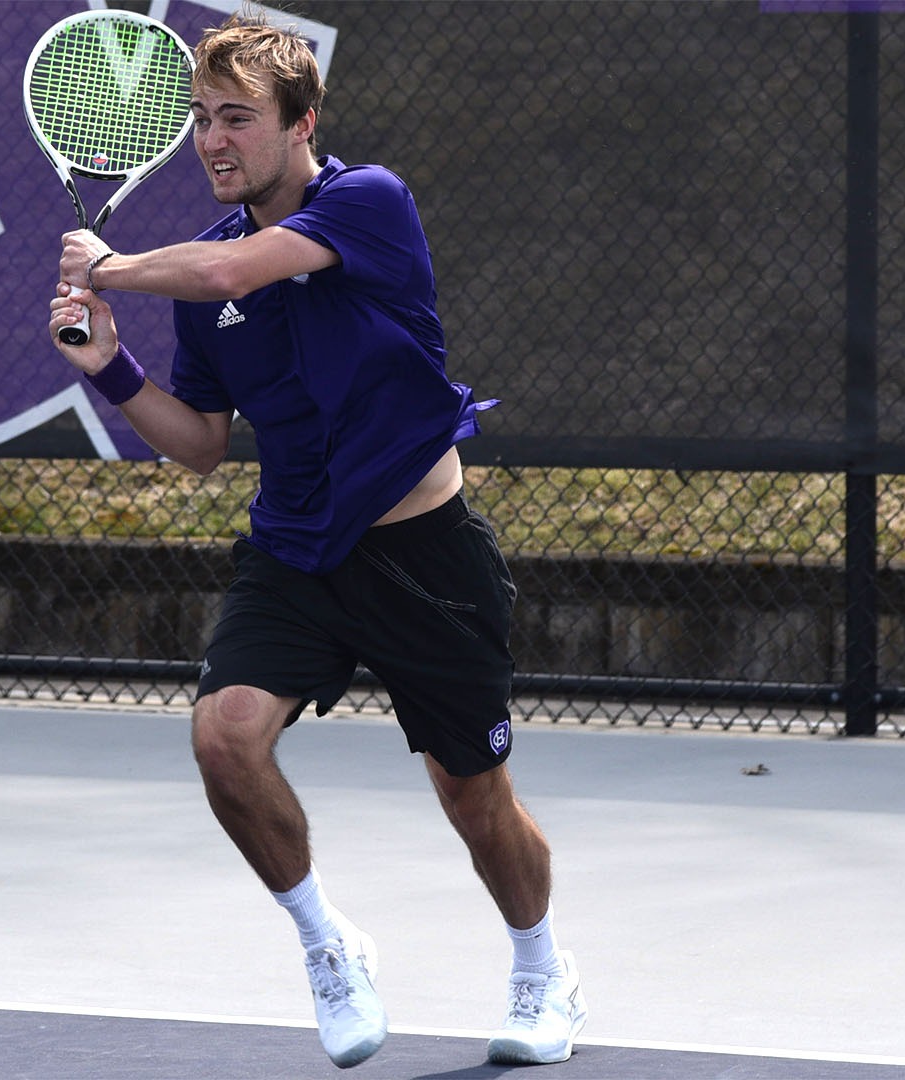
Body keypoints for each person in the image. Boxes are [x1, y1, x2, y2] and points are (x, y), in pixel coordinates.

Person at [47, 15, 586, 1070]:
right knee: (223, 740)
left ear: (301, 126)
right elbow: (200, 445)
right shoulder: (200, 275)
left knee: (474, 799)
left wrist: (111, 269)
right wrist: (105, 367)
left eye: (237, 118)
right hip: (295, 553)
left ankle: (541, 968)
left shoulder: (367, 204)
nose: (212, 140)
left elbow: (234, 274)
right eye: (201, 119)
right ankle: (328, 942)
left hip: (423, 552)